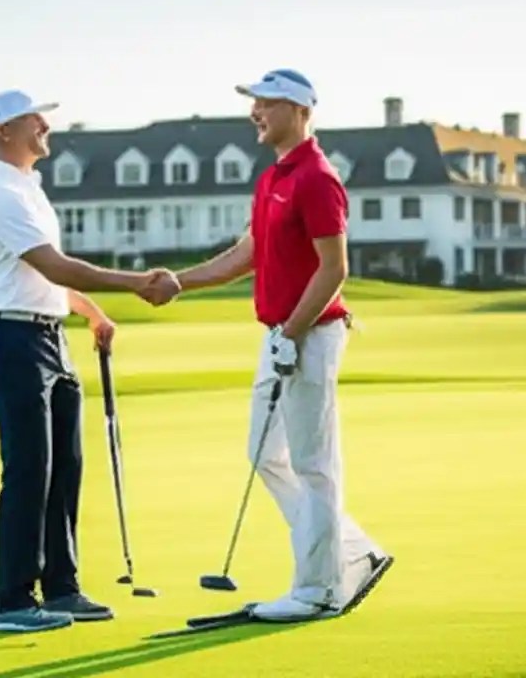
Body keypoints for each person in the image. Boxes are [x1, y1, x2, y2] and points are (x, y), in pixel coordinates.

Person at [167, 69, 393, 622]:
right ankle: (350, 551)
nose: (255, 114)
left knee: (313, 462)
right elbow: (248, 252)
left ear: (298, 109)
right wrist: (181, 281)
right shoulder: (273, 178)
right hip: (283, 335)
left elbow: (334, 267)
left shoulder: (316, 178)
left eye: (265, 103)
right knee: (265, 454)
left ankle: (317, 589)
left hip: (310, 334)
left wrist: (293, 333)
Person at [0, 88, 180, 633]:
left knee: (65, 469)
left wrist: (90, 312)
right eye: (32, 118)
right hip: (11, 342)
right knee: (28, 472)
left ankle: (61, 587)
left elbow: (45, 279)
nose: (44, 123)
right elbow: (55, 265)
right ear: (3, 133)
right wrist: (134, 282)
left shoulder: (29, 189)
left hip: (48, 339)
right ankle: (13, 600)